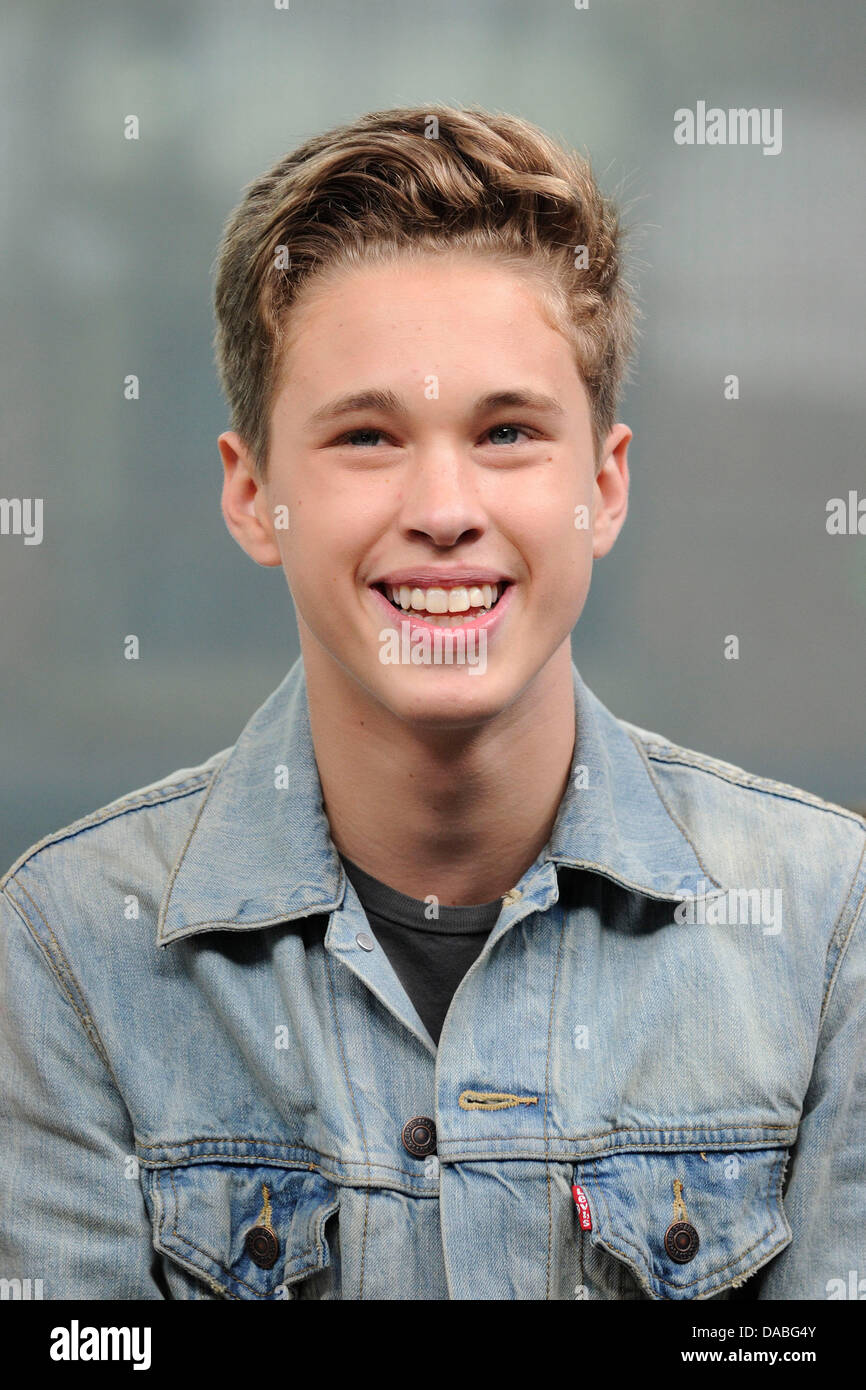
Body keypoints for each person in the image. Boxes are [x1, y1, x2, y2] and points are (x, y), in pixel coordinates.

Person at [1, 105, 863, 1301]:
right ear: (253, 497)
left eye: (506, 430)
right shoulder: (66, 950)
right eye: (365, 435)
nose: (444, 505)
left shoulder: (828, 928)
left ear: (602, 487)